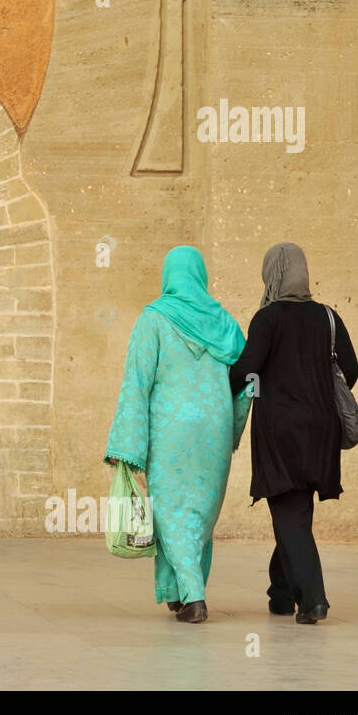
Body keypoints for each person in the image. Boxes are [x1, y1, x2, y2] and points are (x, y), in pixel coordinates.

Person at [104, 246, 252, 624]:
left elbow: (136, 385)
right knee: (198, 513)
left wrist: (128, 445)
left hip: (171, 432)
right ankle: (179, 593)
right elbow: (248, 384)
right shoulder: (225, 324)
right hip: (212, 433)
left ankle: (195, 595)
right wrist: (232, 429)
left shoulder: (153, 319)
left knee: (170, 511)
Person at [228, 242, 358, 625]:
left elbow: (244, 371)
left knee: (289, 513)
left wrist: (248, 384)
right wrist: (315, 389)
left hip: (280, 431)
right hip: (321, 431)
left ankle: (314, 599)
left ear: (272, 274)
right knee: (296, 512)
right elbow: (350, 370)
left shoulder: (268, 319)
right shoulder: (328, 317)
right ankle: (281, 593)